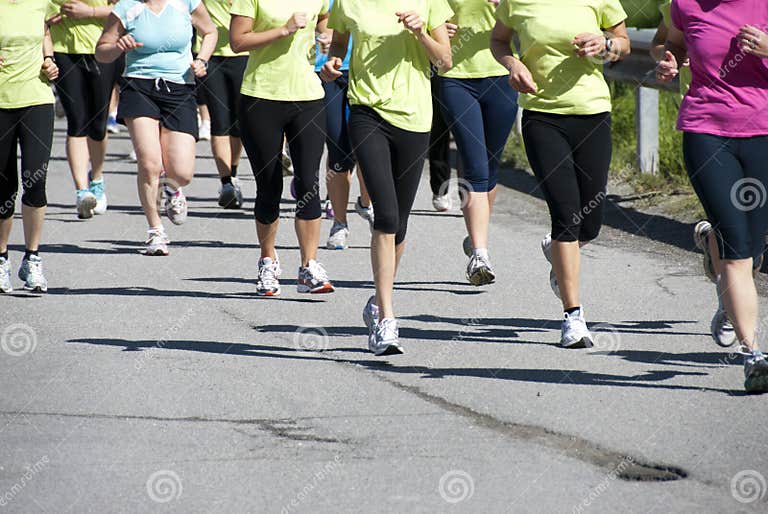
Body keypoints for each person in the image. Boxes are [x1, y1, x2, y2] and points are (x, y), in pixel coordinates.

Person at [491, 0, 630, 348]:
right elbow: (498, 41)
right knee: (565, 215)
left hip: (593, 112)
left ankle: (557, 252)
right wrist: (513, 63)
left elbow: (624, 43)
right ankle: (574, 317)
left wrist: (607, 44)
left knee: (591, 224)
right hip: (542, 116)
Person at [322, 0, 453, 355]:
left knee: (401, 224)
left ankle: (379, 299)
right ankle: (386, 320)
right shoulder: (348, 2)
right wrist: (335, 60)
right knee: (387, 216)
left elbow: (445, 59)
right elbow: (338, 42)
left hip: (414, 117)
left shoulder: (429, 3)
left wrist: (421, 32)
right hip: (367, 112)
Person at [656, 0, 768, 393]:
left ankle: (711, 246)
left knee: (753, 249)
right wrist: (670, 60)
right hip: (706, 131)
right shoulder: (686, 5)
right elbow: (670, 44)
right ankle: (754, 355)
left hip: (763, 135)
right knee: (738, 248)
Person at [230, 0, 336, 296]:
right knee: (269, 184)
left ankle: (309, 265)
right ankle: (267, 260)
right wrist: (283, 30)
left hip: (308, 97)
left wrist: (326, 48)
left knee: (308, 181)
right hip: (261, 96)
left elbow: (325, 24)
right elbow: (237, 41)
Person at [95, 0, 217, 256]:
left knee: (182, 172)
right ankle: (155, 231)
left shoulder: (187, 3)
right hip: (139, 86)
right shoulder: (127, 7)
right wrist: (118, 46)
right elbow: (101, 51)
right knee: (149, 163)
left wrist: (202, 60)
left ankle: (173, 187)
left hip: (180, 87)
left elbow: (210, 31)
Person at [439, 0, 518, 286]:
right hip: (456, 78)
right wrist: (435, 28)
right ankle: (480, 255)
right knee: (474, 166)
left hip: (501, 75)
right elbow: (422, 12)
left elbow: (534, 17)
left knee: (490, 167)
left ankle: (476, 237)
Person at [0, 0, 60, 292]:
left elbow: (44, 29)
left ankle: (32, 258)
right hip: (0, 102)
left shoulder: (42, 2)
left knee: (35, 180)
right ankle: (1, 259)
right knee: (3, 186)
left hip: (37, 99)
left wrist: (49, 58)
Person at [46, 0, 118, 220]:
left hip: (102, 48)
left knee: (98, 125)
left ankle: (96, 180)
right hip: (63, 49)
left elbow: (126, 8)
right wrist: (47, 17)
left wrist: (90, 11)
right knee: (77, 122)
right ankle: (82, 192)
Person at [317, 1, 373, 251]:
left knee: (370, 148)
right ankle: (339, 223)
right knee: (338, 148)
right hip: (331, 72)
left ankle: (365, 203)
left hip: (371, 73)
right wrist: (319, 37)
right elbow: (313, 22)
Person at [195, 0, 248, 209]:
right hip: (211, 56)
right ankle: (226, 182)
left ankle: (232, 173)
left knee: (238, 124)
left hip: (244, 55)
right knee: (220, 120)